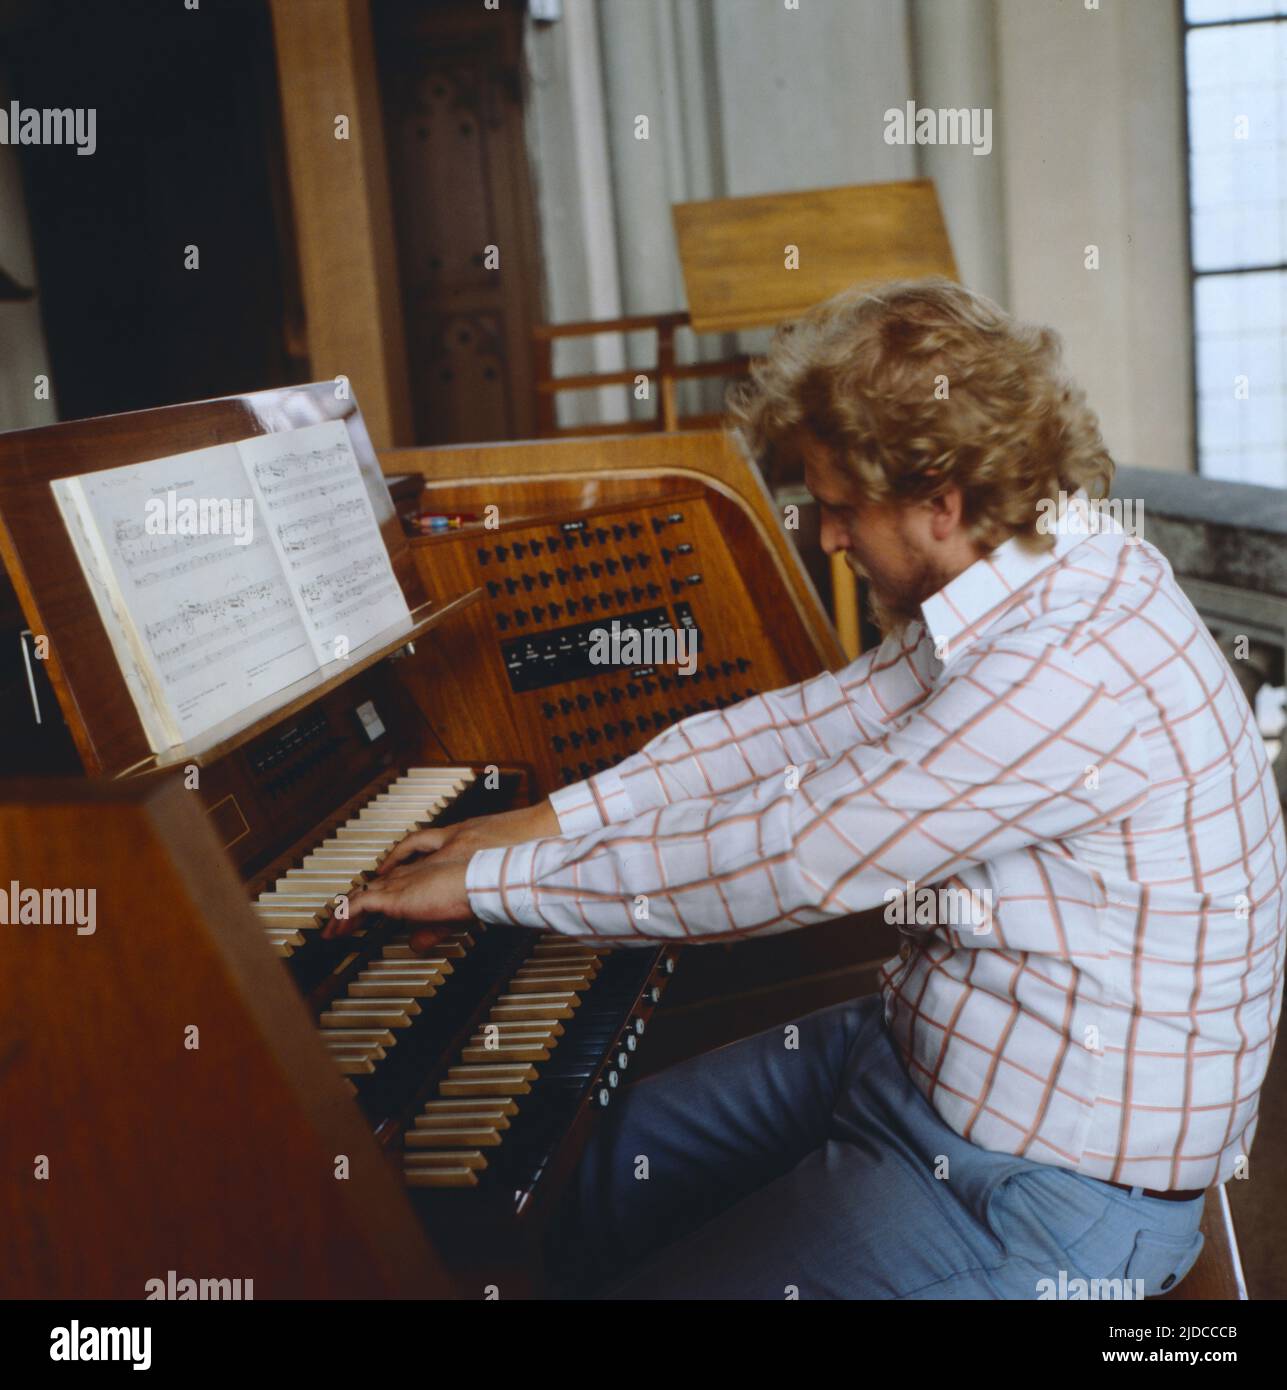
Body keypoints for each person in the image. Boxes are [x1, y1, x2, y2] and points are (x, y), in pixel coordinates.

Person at [324, 279, 1286, 1299]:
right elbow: (810, 722)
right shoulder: (1036, 558)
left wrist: (492, 887)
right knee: (578, 1189)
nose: (828, 537)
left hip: (1042, 1192)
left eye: (839, 508)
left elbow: (788, 858)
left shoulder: (1069, 662)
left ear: (939, 503)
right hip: (917, 1058)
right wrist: (551, 816)